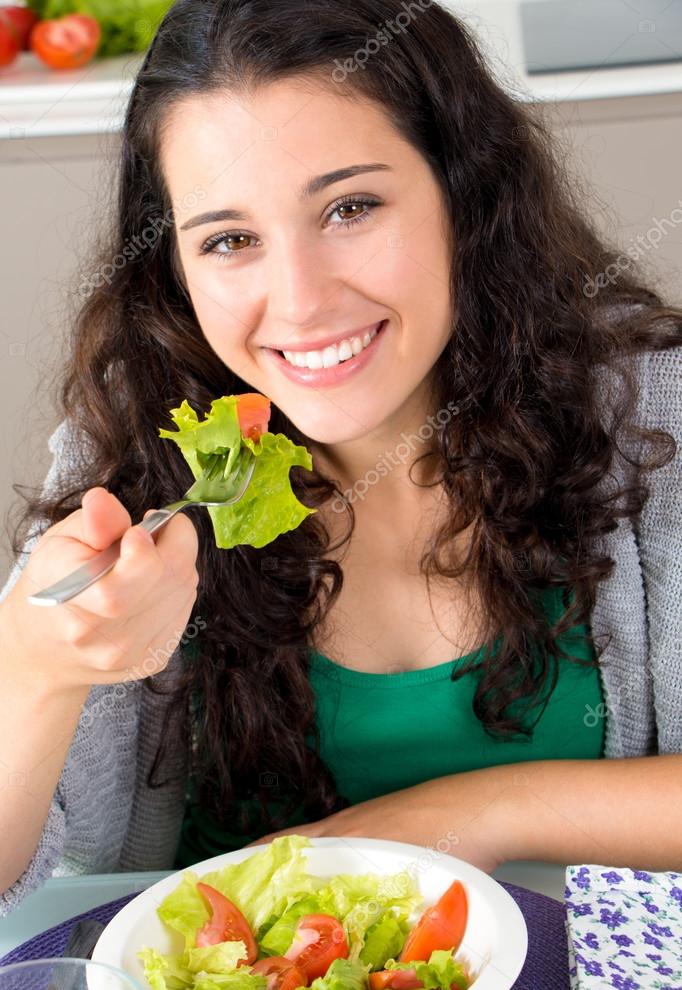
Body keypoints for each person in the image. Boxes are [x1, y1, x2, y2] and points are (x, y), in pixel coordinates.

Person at [0, 0, 681, 914]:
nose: (301, 301)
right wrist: (35, 665)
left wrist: (463, 815)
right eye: (230, 239)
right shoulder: (135, 450)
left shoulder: (647, 412)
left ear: (466, 196)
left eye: (350, 208)